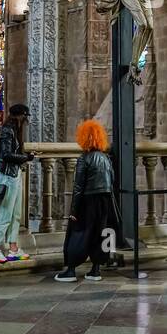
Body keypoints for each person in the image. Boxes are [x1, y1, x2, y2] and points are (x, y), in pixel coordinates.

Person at [55, 119, 116, 282]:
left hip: (88, 201)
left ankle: (71, 270)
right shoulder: (105, 158)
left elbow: (78, 187)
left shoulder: (84, 158)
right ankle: (95, 270)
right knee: (100, 233)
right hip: (104, 200)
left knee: (78, 233)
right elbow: (112, 180)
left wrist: (74, 211)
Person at [0, 103, 35, 264]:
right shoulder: (7, 130)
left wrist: (25, 156)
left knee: (16, 213)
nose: (26, 121)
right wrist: (26, 158)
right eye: (25, 117)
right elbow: (7, 155)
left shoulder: (14, 129)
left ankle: (13, 247)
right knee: (5, 212)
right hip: (7, 175)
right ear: (20, 116)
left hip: (15, 174)